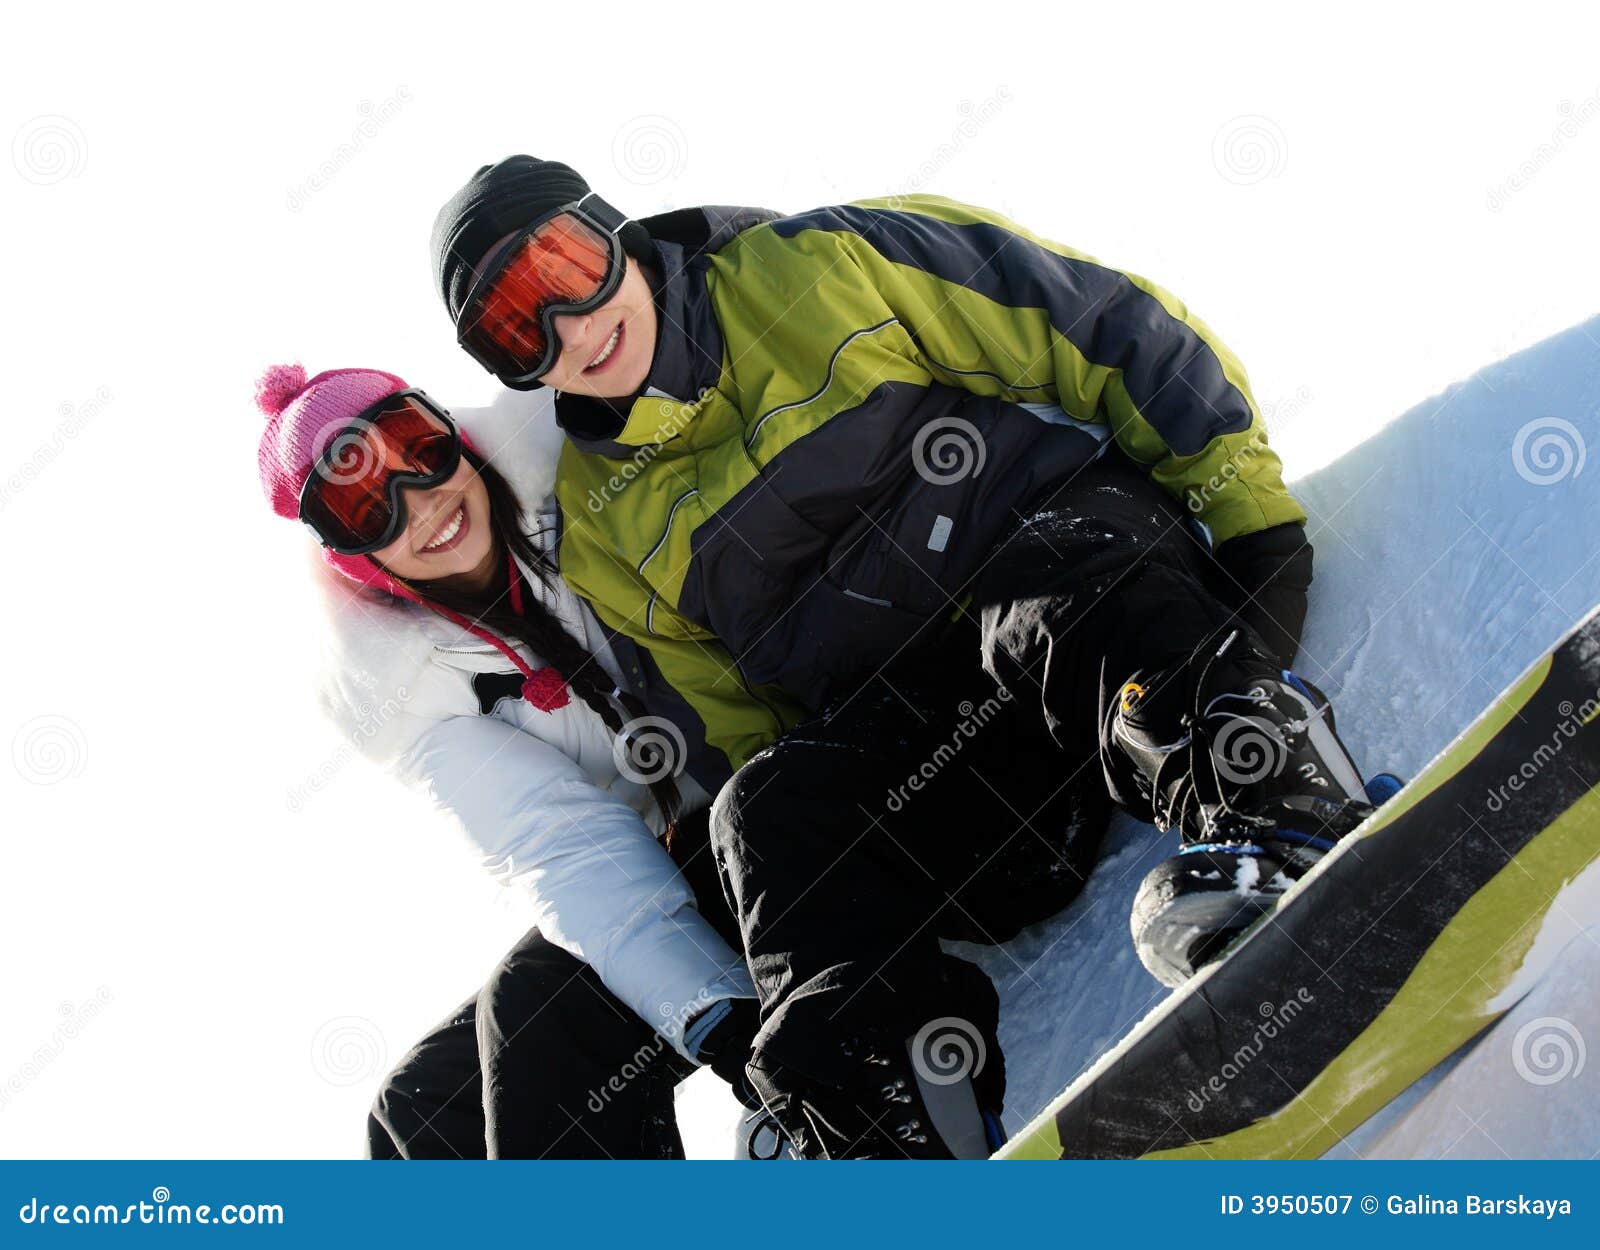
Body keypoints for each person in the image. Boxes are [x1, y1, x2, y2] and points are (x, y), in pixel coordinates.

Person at [428, 159, 1381, 1158]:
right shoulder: (603, 523)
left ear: (611, 228)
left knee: (1047, 601)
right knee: (762, 805)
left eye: (563, 267)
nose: (569, 329)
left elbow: (1098, 325)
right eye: (515, 329)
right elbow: (735, 732)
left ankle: (1281, 817)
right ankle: (883, 1123)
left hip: (1071, 587)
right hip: (959, 761)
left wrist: (1249, 516)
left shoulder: (820, 263)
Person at [253, 362, 764, 1158]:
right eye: (365, 508)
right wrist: (715, 1015)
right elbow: (562, 849)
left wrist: (751, 1044)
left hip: (780, 791)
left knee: (534, 1011)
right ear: (355, 557)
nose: (421, 504)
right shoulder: (413, 691)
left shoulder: (582, 476)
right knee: (418, 1108)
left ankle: (843, 1092)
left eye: (414, 448)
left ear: (451, 433)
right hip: (679, 855)